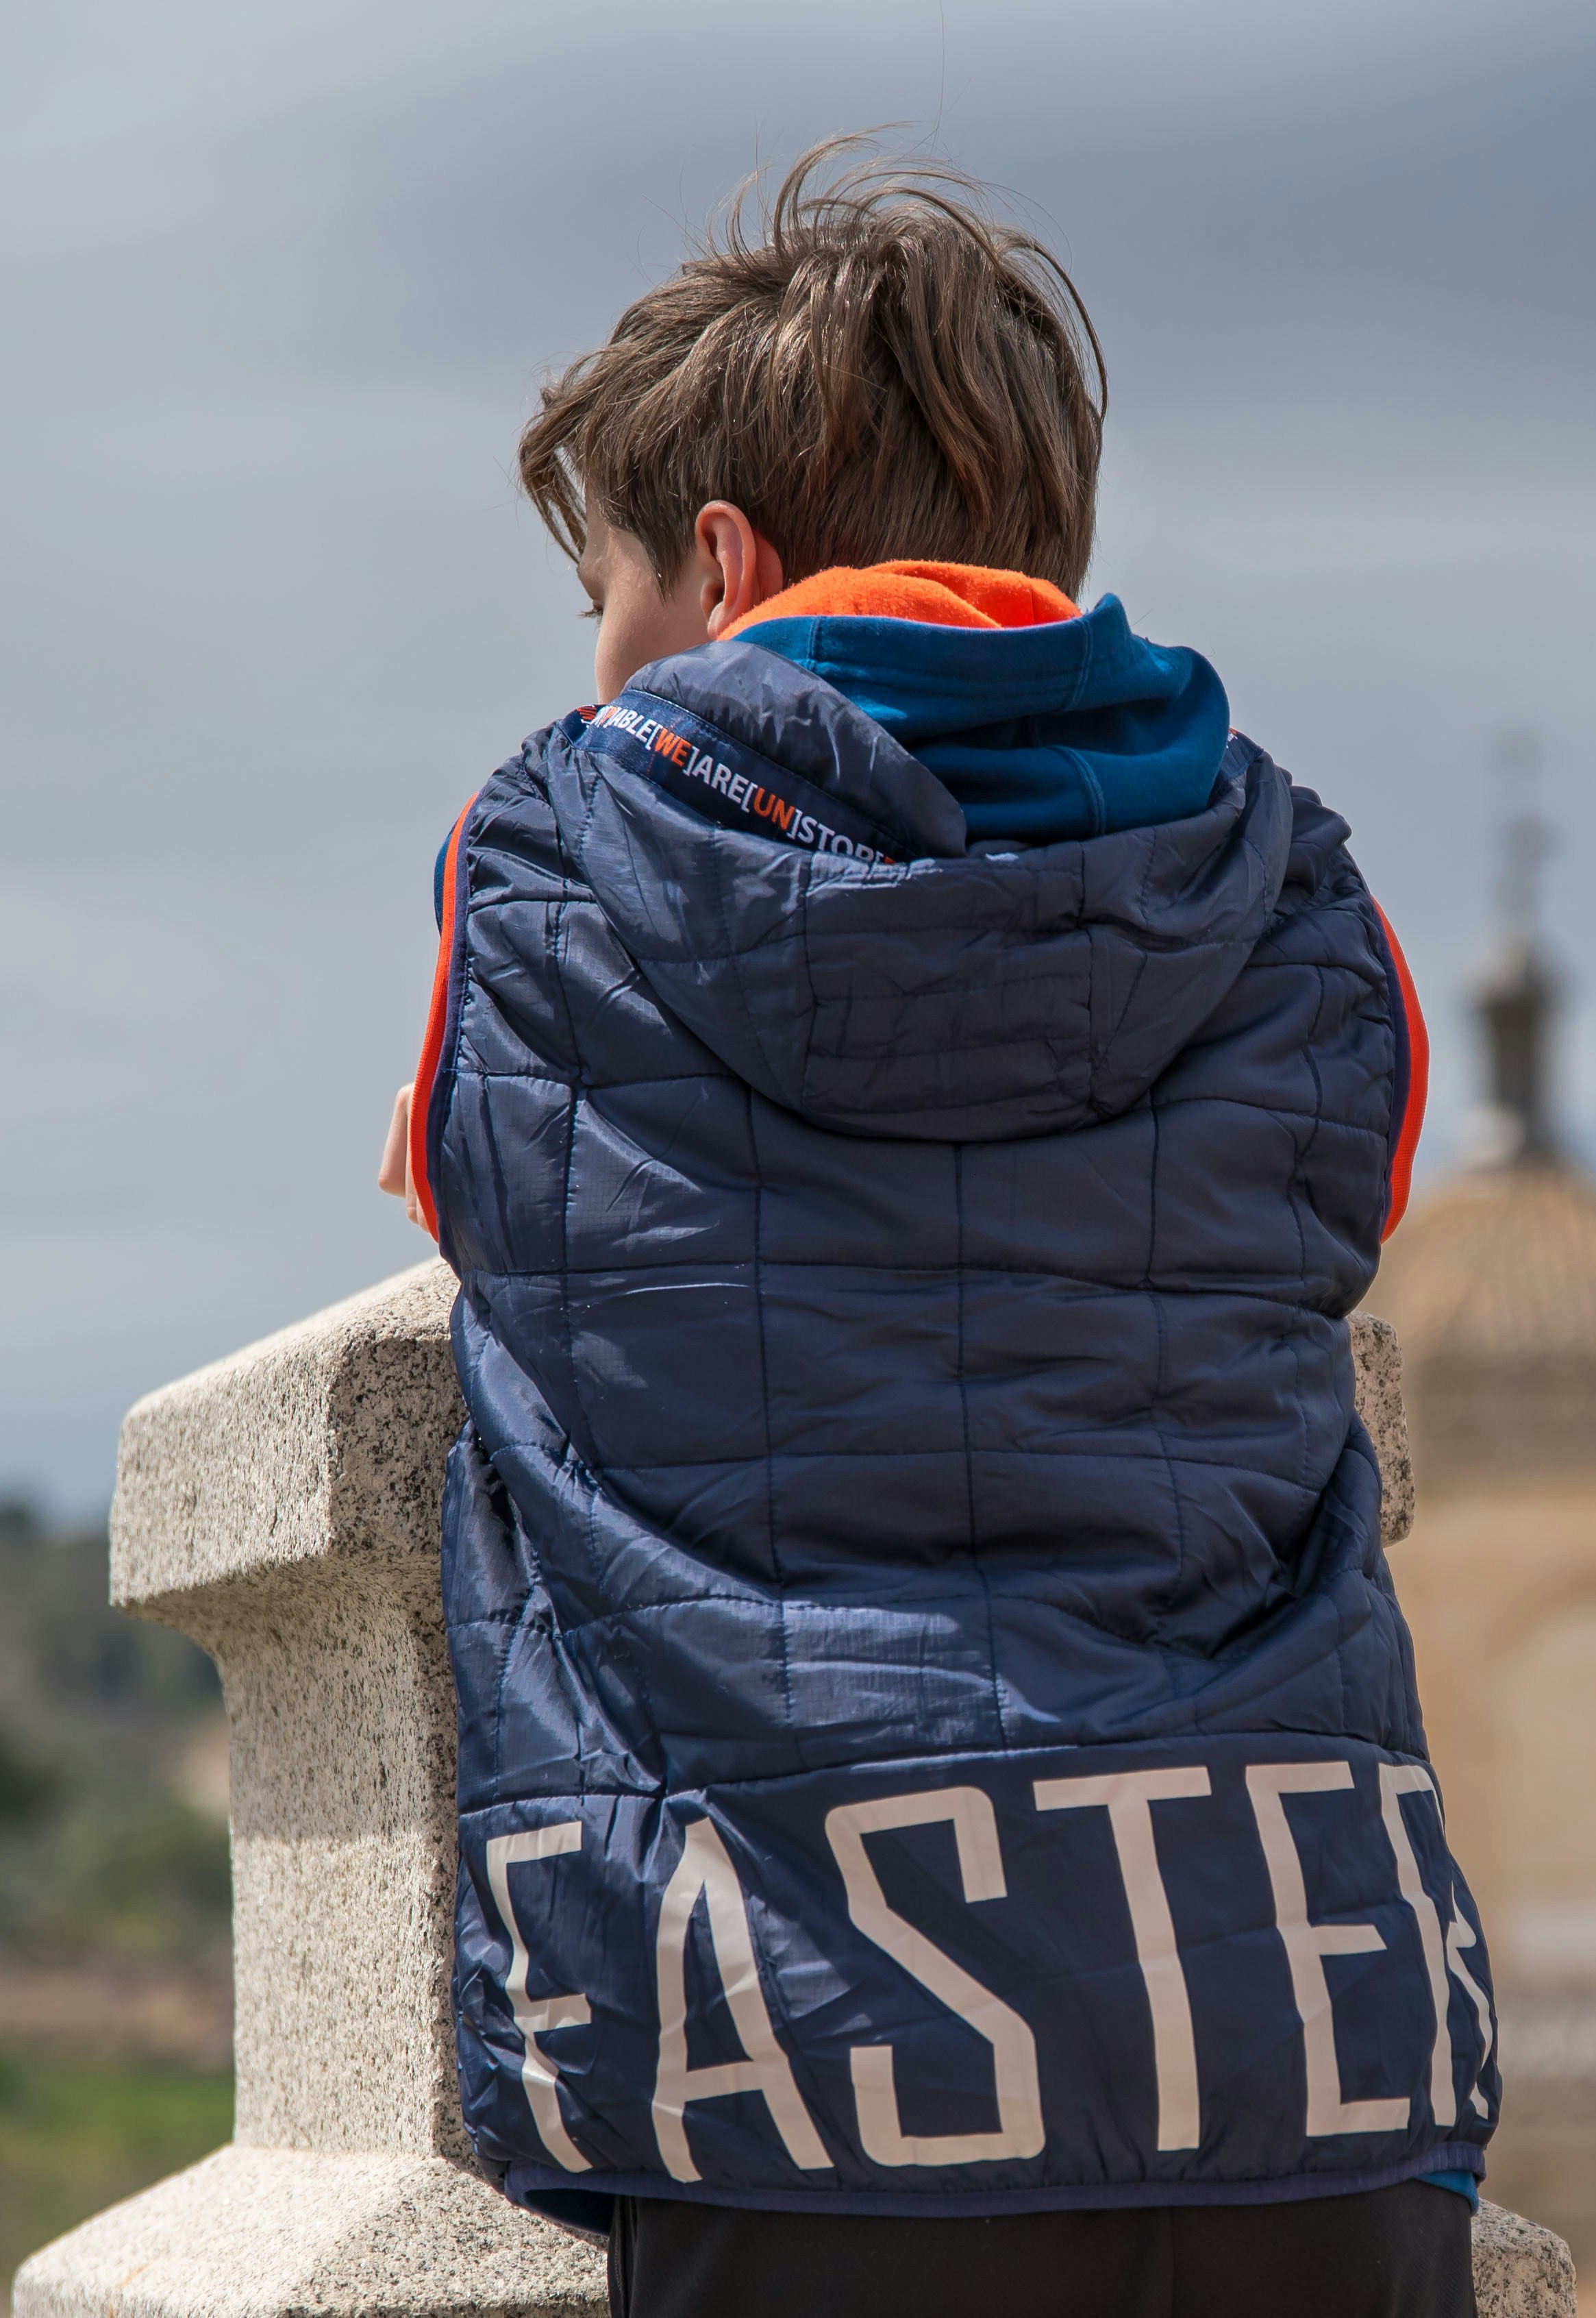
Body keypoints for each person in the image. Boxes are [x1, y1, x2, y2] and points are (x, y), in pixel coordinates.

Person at [371, 140, 1492, 2318]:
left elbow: (461, 1180)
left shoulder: (540, 857)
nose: (600, 666)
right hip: (1293, 2054)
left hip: (802, 2073)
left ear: (715, 565)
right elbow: (1342, 1206)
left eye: (601, 599)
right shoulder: (1301, 891)